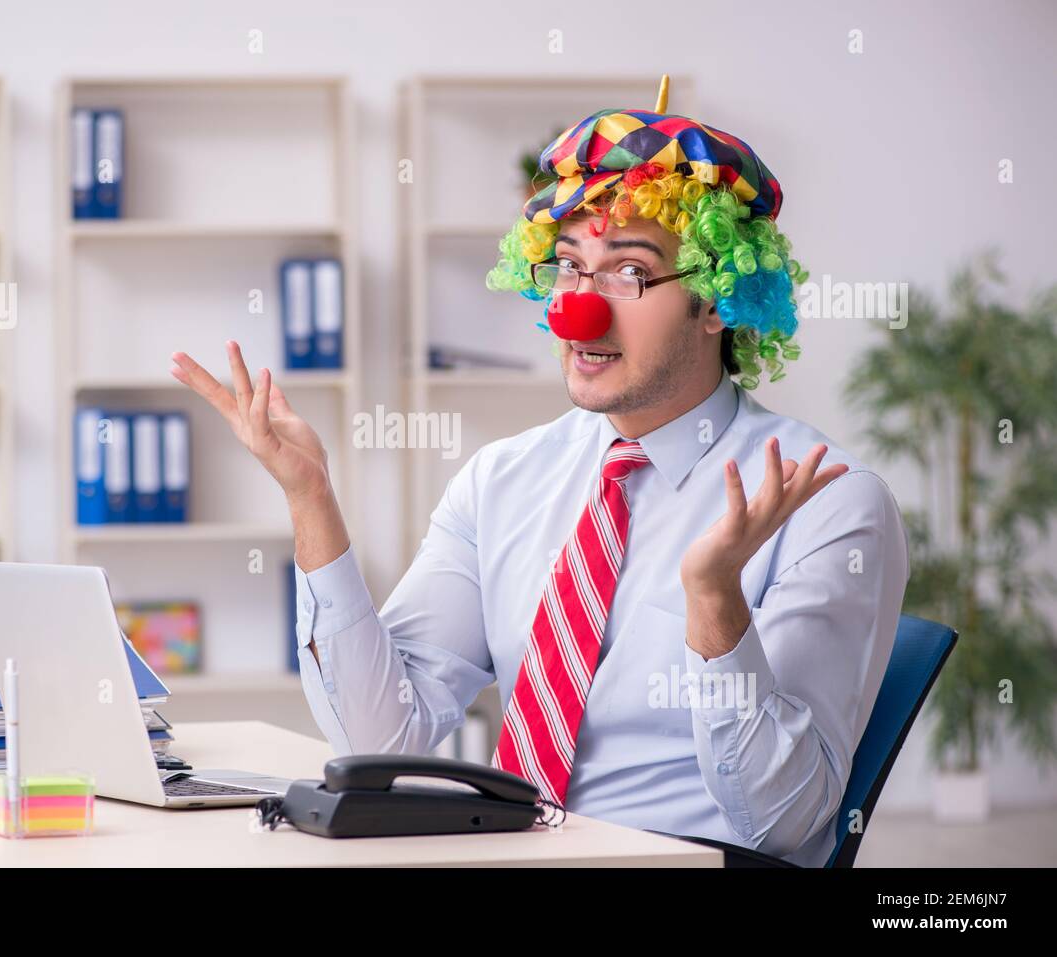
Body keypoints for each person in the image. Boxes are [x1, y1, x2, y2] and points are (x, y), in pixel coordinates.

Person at [169, 77, 909, 867]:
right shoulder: (503, 480)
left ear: (717, 299)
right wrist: (311, 500)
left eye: (628, 273)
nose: (579, 308)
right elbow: (383, 736)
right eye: (566, 266)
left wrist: (716, 606)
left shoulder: (823, 503)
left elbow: (786, 822)